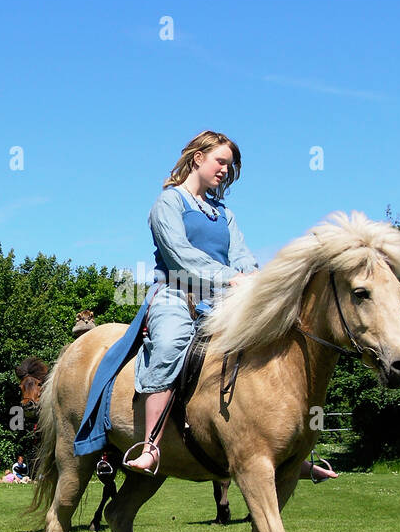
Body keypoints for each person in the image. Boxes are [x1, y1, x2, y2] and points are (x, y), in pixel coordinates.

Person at [123, 130, 338, 485]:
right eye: (220, 161)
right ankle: (151, 446)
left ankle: (281, 448)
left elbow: (241, 255)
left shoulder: (224, 214)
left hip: (223, 298)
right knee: (170, 343)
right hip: (176, 294)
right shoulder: (169, 203)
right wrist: (229, 277)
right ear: (198, 159)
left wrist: (255, 280)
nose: (225, 169)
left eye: (229, 165)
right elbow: (179, 256)